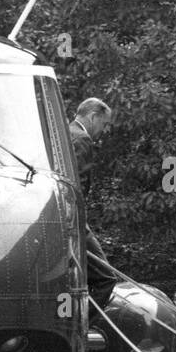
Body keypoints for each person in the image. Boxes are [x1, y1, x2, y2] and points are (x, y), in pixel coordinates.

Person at [68, 97, 117, 307]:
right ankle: (84, 323)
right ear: (93, 116)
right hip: (73, 219)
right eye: (104, 124)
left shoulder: (63, 132)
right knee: (107, 278)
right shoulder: (81, 139)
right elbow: (78, 186)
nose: (104, 130)